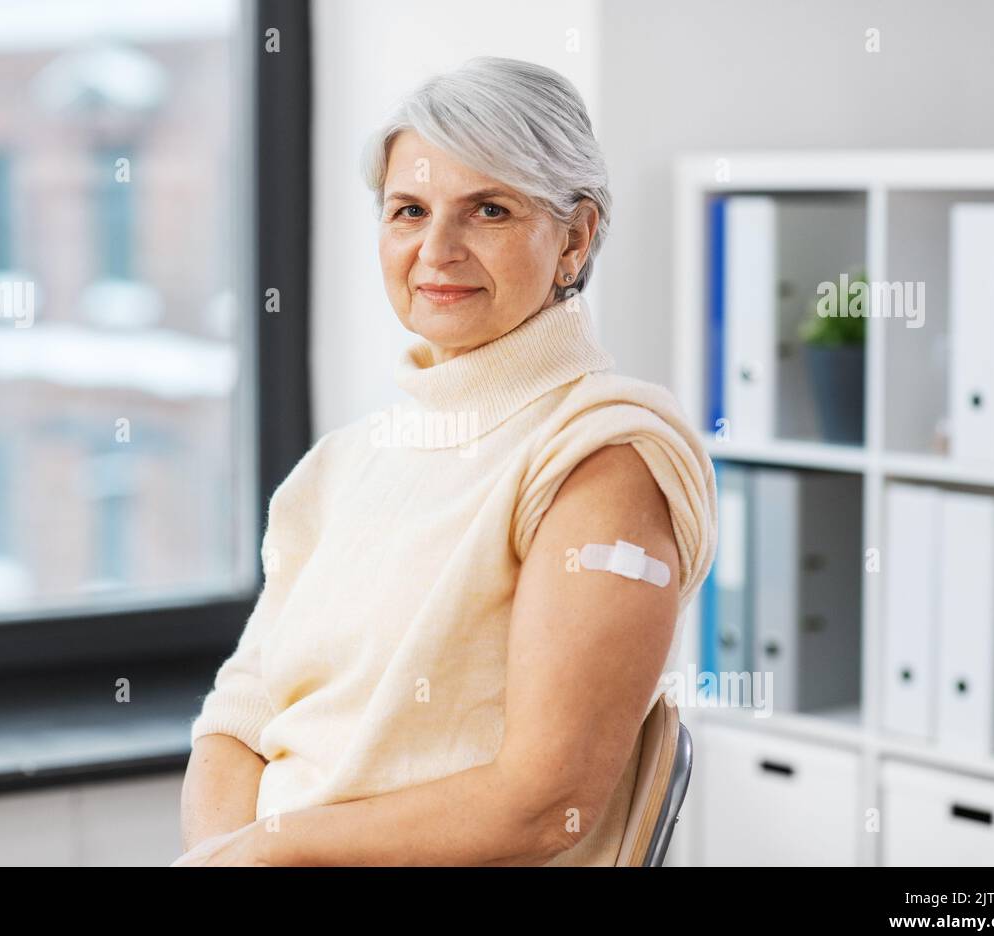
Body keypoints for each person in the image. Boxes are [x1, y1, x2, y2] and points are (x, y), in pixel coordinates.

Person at [176, 55, 717, 866]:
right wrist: (223, 857)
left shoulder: (603, 457)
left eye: (488, 210)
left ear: (575, 237)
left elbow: (545, 803)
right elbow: (241, 716)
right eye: (408, 210)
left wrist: (271, 853)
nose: (437, 249)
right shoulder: (340, 466)